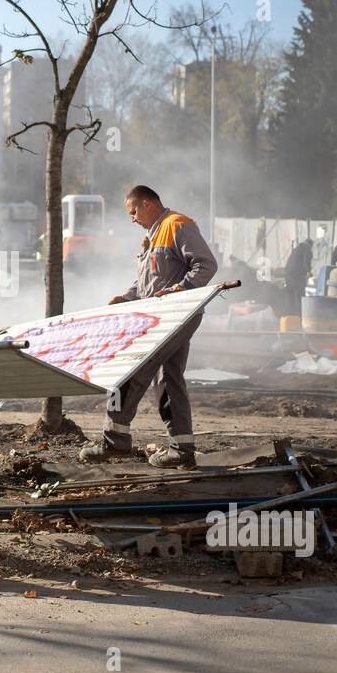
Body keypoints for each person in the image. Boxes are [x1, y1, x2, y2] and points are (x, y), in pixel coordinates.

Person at [80, 185, 216, 468]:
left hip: (172, 317)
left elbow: (206, 265)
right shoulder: (151, 237)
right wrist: (127, 297)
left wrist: (179, 291)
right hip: (167, 318)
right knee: (168, 379)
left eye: (132, 212)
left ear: (147, 204)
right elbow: (148, 284)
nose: (131, 219)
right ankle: (182, 448)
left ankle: (113, 440)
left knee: (128, 371)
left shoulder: (178, 225)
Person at [283, 239, 313, 316]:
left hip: (288, 273)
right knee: (300, 296)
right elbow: (306, 263)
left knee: (290, 295)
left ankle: (289, 314)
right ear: (310, 245)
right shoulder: (307, 248)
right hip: (297, 275)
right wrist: (308, 271)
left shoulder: (296, 249)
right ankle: (300, 316)